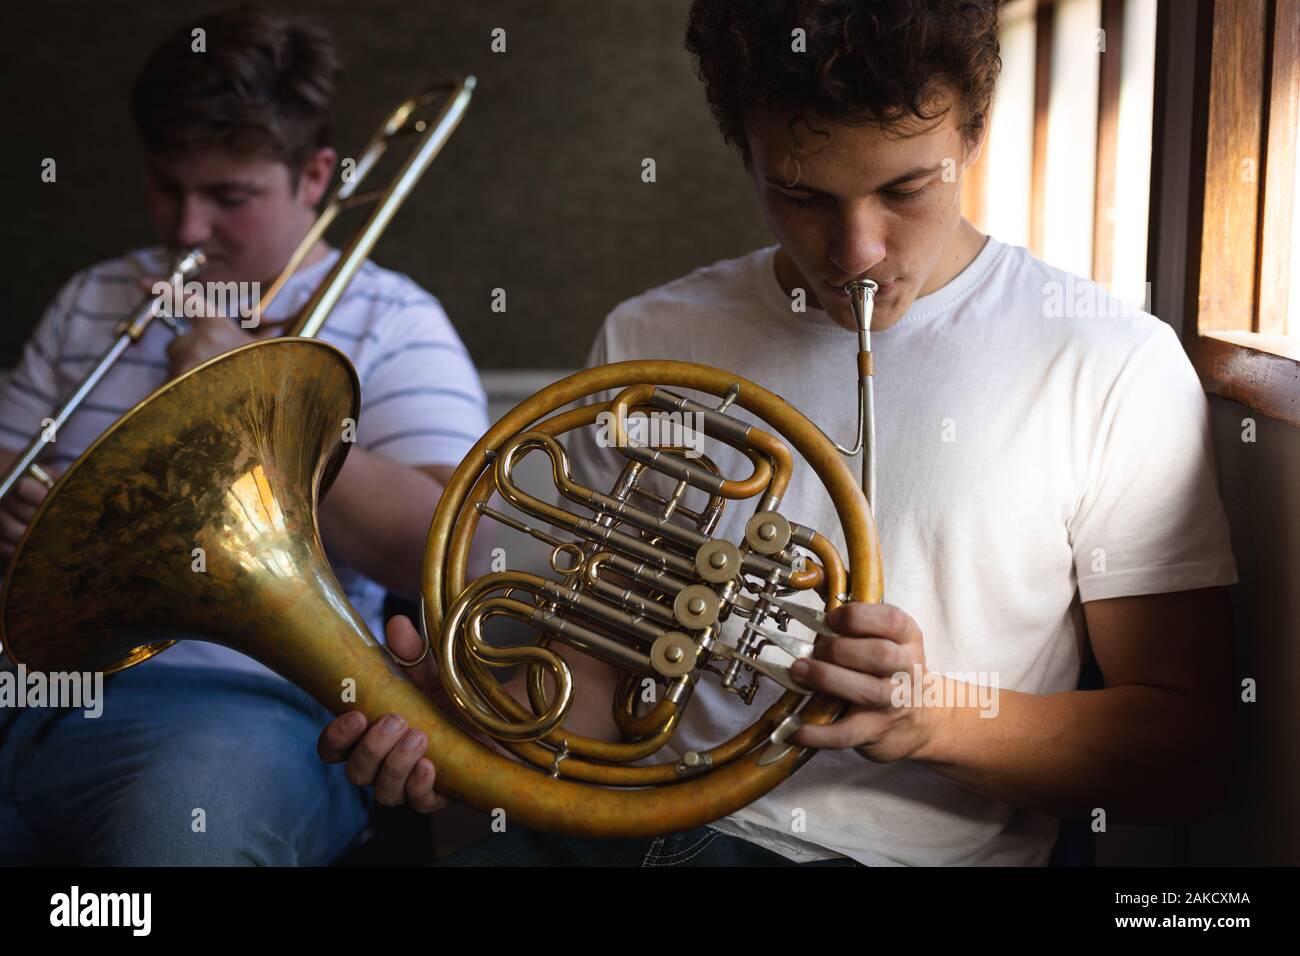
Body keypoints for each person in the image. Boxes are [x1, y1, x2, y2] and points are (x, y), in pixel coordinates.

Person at [319, 0, 1237, 867]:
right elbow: (608, 685)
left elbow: (1188, 751)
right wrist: (466, 734)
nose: (858, 252)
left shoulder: (1106, 357)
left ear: (973, 134)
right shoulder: (652, 338)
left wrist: (929, 715)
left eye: (906, 189)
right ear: (744, 152)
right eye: (801, 195)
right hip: (626, 839)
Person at [0, 5, 489, 865]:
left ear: (316, 178)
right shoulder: (94, 294)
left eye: (229, 197)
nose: (186, 231)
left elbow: (445, 549)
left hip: (241, 706)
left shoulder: (398, 321)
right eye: (167, 187)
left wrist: (253, 400)